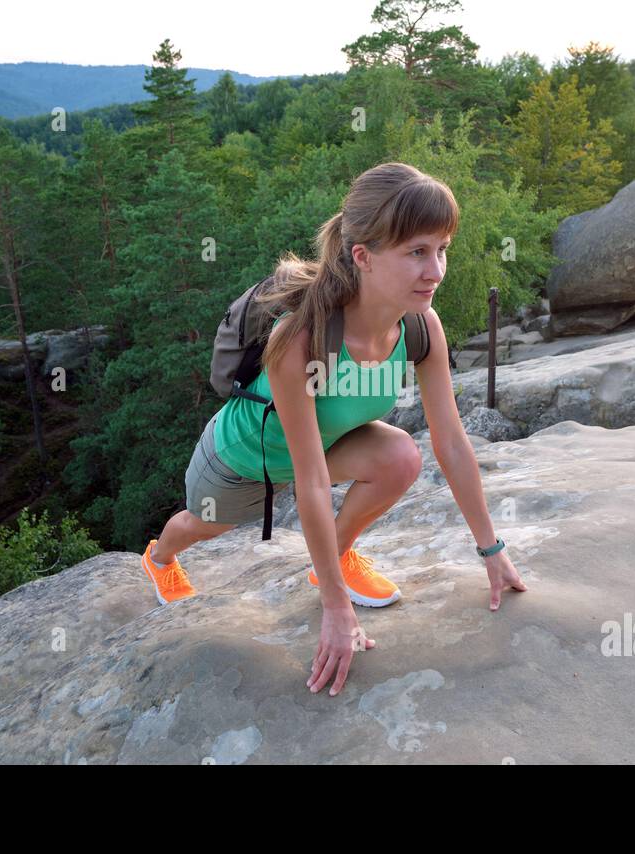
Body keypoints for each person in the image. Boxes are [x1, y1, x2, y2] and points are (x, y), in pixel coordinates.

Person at [142, 162, 527, 698]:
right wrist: (336, 613)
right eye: (416, 252)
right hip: (241, 459)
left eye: (442, 249)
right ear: (363, 257)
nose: (435, 270)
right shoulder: (301, 338)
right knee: (199, 526)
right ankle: (158, 557)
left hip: (325, 451)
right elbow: (310, 482)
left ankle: (332, 563)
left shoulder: (420, 327)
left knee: (401, 457)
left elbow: (452, 442)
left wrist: (492, 549)